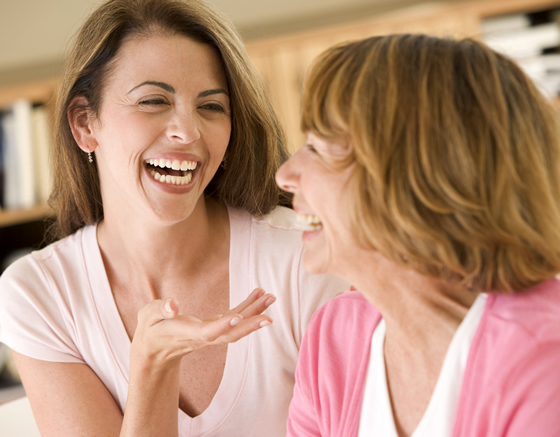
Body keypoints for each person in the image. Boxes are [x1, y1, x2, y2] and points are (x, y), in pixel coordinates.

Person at [0, 0, 348, 436]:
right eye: (153, 101)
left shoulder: (305, 257)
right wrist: (153, 366)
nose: (188, 131)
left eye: (211, 106)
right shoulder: (40, 295)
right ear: (85, 124)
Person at [276, 33, 560, 436]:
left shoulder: (542, 358)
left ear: (414, 177)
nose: (284, 175)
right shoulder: (335, 336)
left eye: (317, 148)